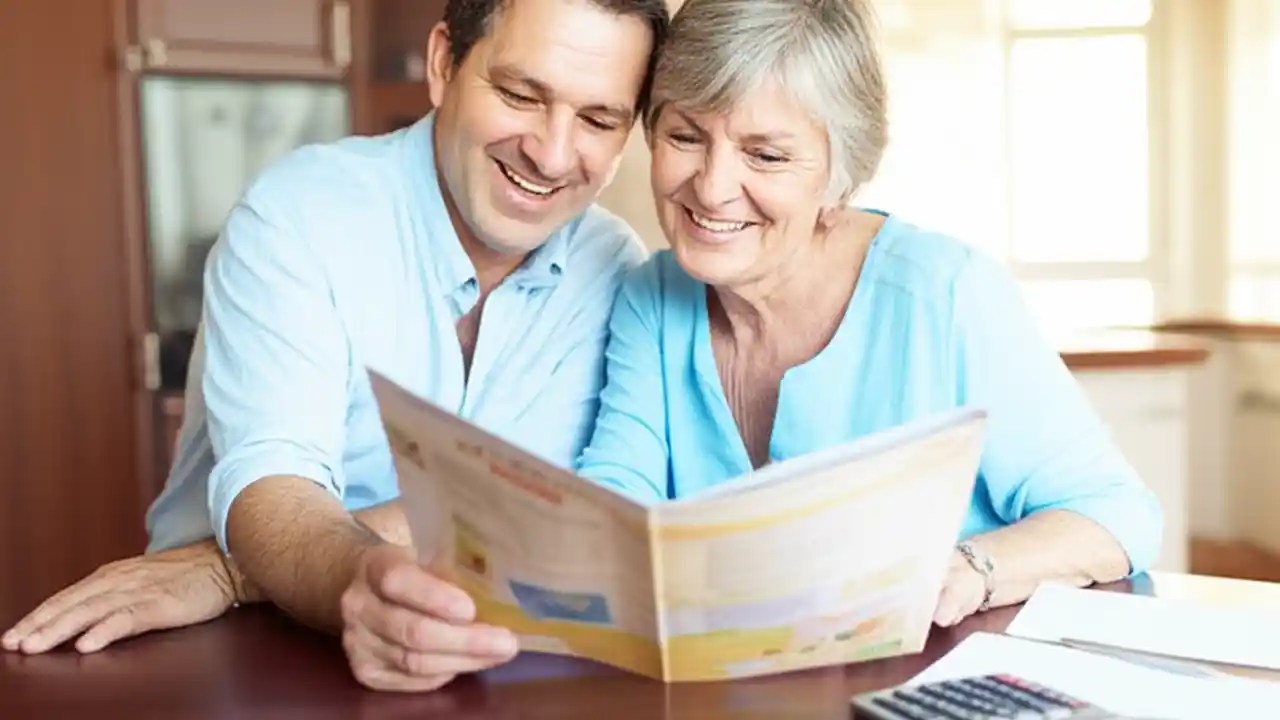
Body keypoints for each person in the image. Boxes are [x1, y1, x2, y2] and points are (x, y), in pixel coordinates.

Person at [3, 0, 669, 694]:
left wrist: (228, 570)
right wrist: (338, 570)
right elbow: (276, 486)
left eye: (598, 120)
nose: (552, 153)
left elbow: (523, 517)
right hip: (229, 665)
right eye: (520, 95)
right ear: (444, 64)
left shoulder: (614, 268)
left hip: (479, 670)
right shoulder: (301, 215)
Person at [575, 0, 1162, 630]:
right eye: (685, 137)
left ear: (840, 173)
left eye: (766, 156)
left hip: (939, 673)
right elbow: (616, 501)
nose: (712, 187)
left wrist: (970, 569)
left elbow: (1114, 513)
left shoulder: (946, 292)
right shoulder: (648, 297)